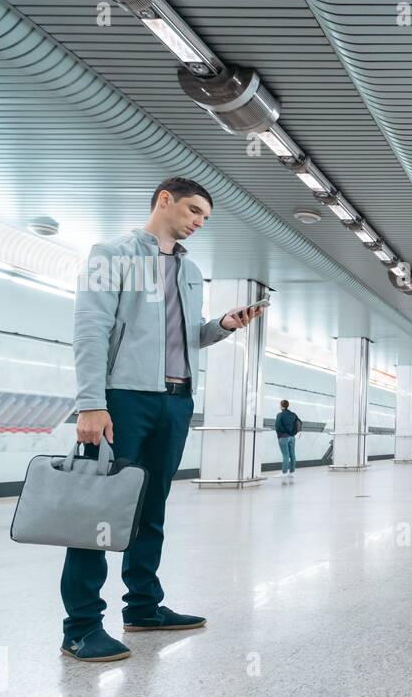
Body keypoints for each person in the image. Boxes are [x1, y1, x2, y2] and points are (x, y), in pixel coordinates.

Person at [62, 176, 265, 663]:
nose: (198, 223)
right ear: (164, 200)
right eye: (194, 211)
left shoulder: (191, 272)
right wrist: (92, 402)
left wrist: (221, 326)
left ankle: (143, 608)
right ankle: (82, 626)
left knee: (152, 506)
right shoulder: (110, 254)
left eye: (205, 218)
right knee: (99, 509)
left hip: (175, 401)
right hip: (123, 397)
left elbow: (185, 337)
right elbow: (92, 327)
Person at [274, 399, 301, 475]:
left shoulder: (280, 415)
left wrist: (281, 433)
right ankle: (292, 472)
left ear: (282, 406)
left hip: (283, 437)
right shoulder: (293, 414)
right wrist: (293, 432)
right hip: (292, 437)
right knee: (292, 455)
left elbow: (278, 426)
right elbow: (298, 423)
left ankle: (284, 472)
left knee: (285, 455)